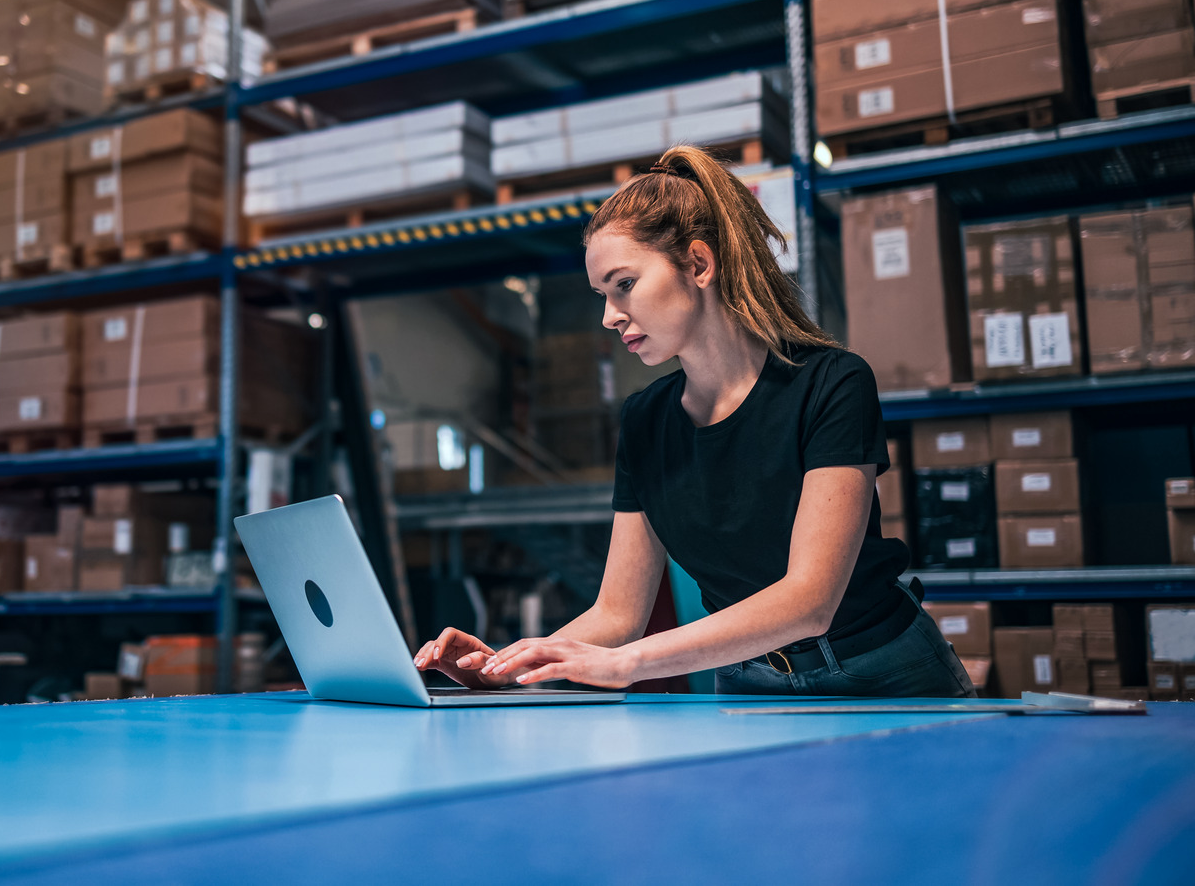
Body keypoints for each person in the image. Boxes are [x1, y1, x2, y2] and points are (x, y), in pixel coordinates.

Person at [414, 145, 974, 697]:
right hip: (748, 680)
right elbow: (617, 612)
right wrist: (506, 669)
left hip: (883, 673)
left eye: (624, 284)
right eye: (601, 295)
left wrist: (629, 664)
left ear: (698, 264)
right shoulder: (644, 420)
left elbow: (810, 600)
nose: (610, 316)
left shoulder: (832, 383)